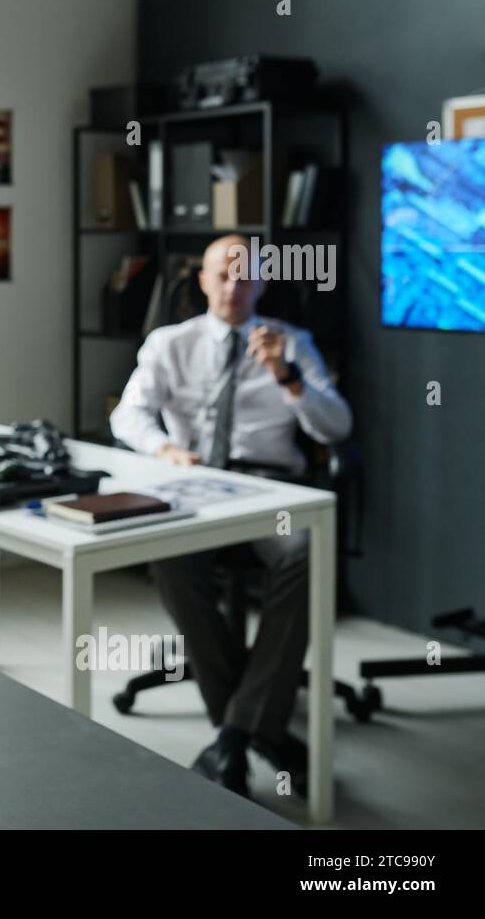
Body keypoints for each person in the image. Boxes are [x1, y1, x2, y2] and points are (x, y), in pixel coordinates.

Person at [109, 234, 351, 797]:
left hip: (269, 487)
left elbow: (336, 428)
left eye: (246, 277)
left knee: (306, 555)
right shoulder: (171, 343)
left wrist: (288, 378)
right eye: (222, 275)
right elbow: (129, 415)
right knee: (169, 557)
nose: (233, 288)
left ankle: (234, 734)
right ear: (202, 281)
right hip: (193, 482)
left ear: (263, 282)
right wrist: (163, 449)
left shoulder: (292, 342)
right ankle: (252, 725)